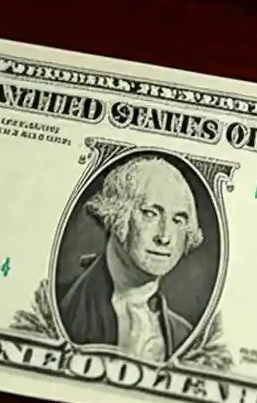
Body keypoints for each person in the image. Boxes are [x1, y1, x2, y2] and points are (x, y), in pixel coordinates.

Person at [57, 155, 204, 361]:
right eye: (150, 213)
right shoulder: (60, 306)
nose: (164, 237)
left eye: (178, 220)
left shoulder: (184, 335)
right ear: (116, 215)